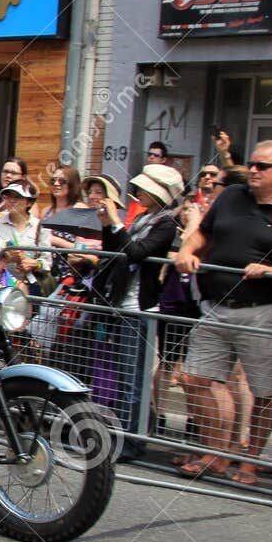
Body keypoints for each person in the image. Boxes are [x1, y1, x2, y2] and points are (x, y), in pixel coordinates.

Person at [173, 140, 272, 487]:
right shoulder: (232, 196)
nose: (254, 170)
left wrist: (271, 269)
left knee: (263, 391)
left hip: (264, 311)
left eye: (263, 166)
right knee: (194, 379)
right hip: (216, 305)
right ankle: (215, 453)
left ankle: (248, 462)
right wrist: (187, 250)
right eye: (252, 163)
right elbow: (202, 233)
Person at [86, 164, 184, 459]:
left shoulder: (166, 224)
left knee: (134, 378)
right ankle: (124, 433)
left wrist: (116, 221)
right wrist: (106, 224)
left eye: (143, 187)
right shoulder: (144, 217)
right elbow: (117, 249)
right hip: (121, 303)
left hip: (140, 308)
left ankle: (134, 440)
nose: (138, 192)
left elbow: (137, 253)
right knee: (123, 375)